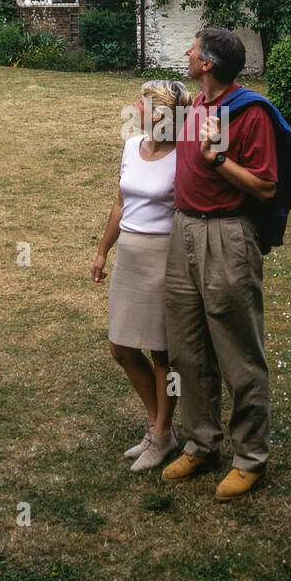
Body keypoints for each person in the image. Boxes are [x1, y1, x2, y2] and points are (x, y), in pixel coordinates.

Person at [161, 28, 278, 501]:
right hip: (183, 230)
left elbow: (265, 187)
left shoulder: (248, 114)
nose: (186, 53)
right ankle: (201, 440)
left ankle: (249, 456)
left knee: (237, 348)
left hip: (227, 234)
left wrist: (219, 161)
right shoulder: (198, 106)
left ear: (207, 63)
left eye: (192, 49)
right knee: (187, 347)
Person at [92, 79, 194, 471]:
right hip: (130, 257)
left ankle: (161, 431)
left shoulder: (183, 155)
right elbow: (121, 203)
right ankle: (160, 429)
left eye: (144, 101)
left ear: (161, 114)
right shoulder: (132, 146)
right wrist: (103, 251)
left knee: (162, 353)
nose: (135, 105)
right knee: (120, 347)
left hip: (164, 259)